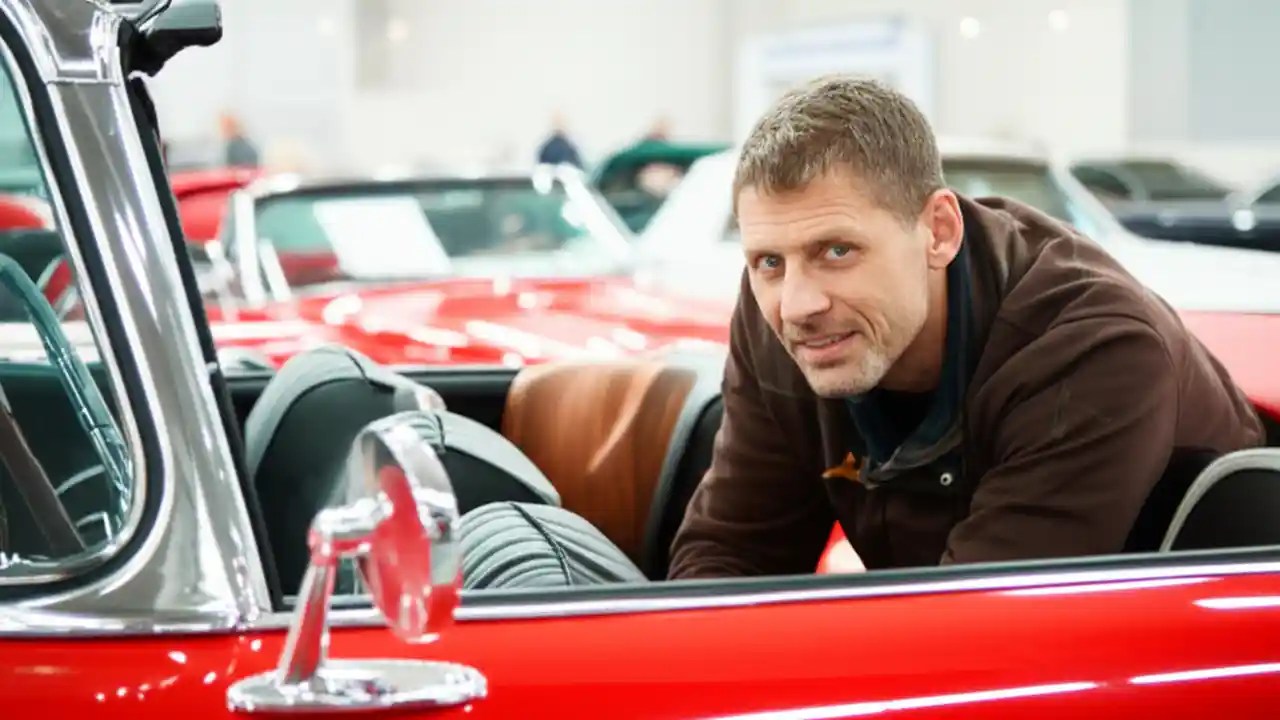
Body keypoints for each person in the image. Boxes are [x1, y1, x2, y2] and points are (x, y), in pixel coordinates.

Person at [667, 75, 1265, 578]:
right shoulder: (780, 318)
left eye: (838, 251)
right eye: (769, 261)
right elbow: (729, 557)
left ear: (939, 231)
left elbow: (975, 635)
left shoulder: (1092, 350)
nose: (796, 304)